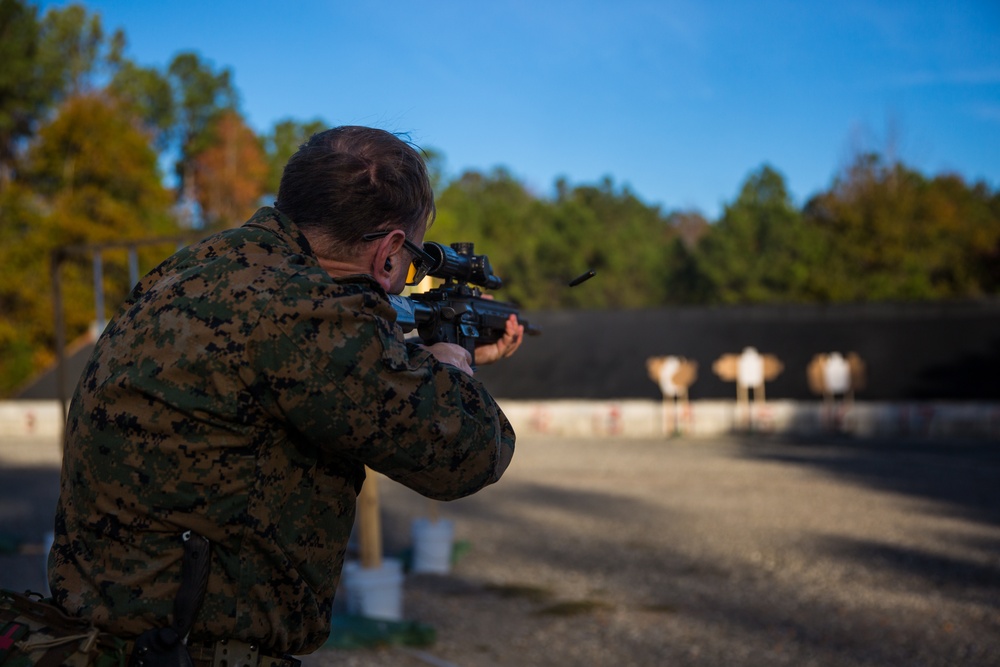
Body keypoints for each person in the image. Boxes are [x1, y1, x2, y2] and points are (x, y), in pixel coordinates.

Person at [47, 126, 524, 663]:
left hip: (93, 639)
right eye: (412, 263)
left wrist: (429, 357)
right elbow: (469, 453)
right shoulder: (309, 312)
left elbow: (300, 371)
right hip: (186, 654)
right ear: (390, 253)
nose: (403, 279)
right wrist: (454, 364)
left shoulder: (194, 269)